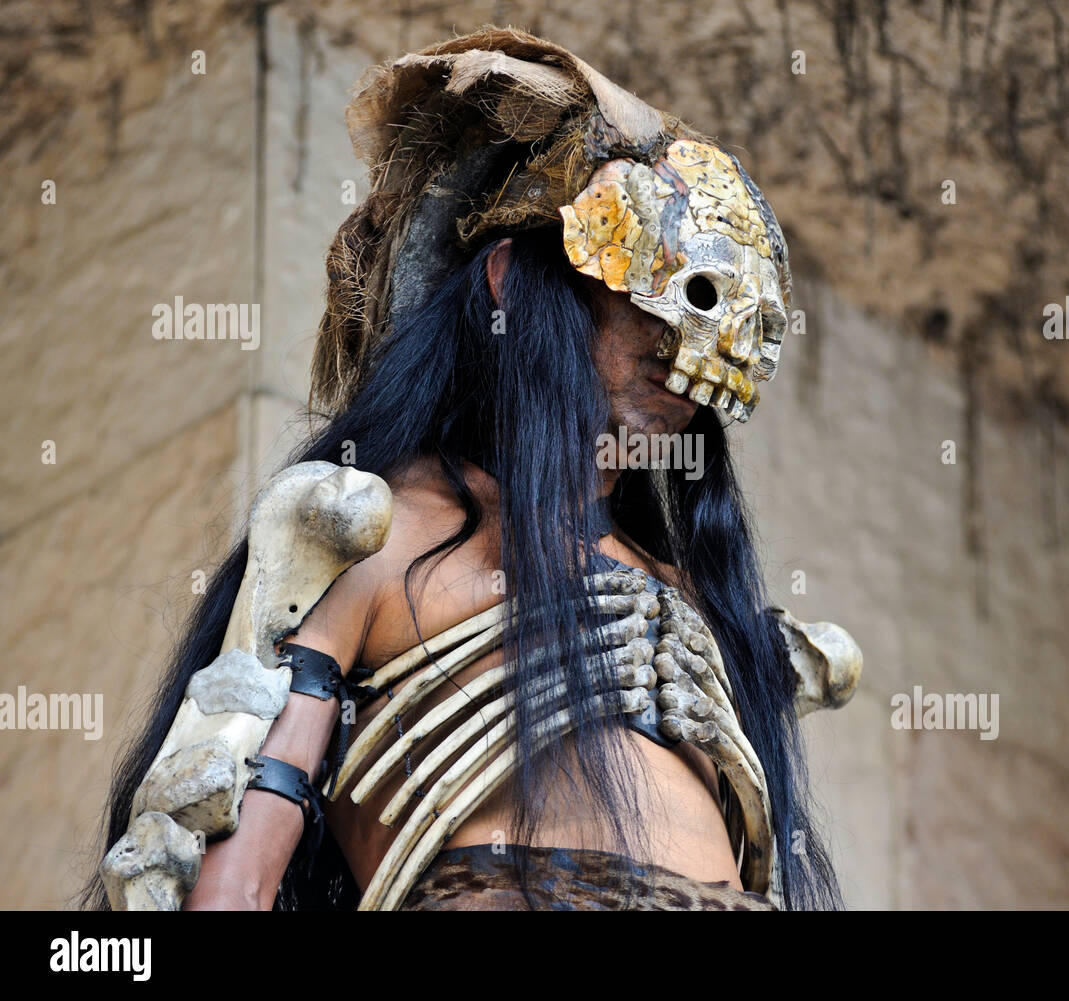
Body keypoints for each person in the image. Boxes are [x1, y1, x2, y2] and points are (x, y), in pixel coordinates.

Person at [86, 27, 854, 912]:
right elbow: (234, 880)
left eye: (694, 346)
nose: (672, 358)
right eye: (644, 311)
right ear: (510, 281)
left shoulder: (682, 592)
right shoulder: (367, 532)